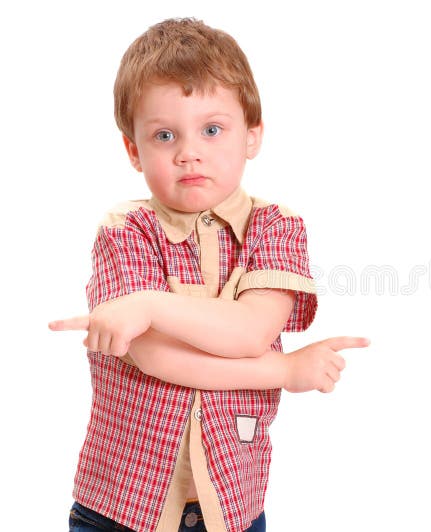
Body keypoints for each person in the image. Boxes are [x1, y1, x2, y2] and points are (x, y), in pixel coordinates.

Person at [49, 18, 368, 532]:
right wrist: (282, 373)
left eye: (212, 129)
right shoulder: (125, 230)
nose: (188, 151)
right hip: (120, 504)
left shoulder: (276, 227)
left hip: (229, 505)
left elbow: (251, 330)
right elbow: (151, 355)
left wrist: (150, 305)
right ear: (134, 149)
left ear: (252, 136)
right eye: (164, 135)